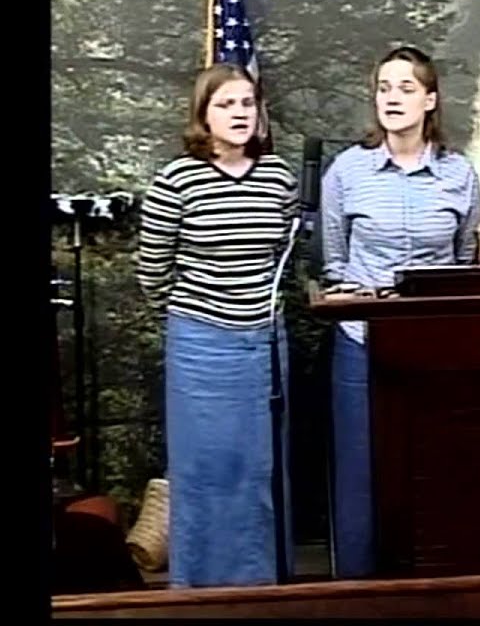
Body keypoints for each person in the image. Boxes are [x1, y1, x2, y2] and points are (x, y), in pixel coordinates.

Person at [320, 45, 480, 578]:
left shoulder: (458, 173)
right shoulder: (347, 171)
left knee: (436, 462)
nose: (392, 98)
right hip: (361, 341)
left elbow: (464, 256)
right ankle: (358, 588)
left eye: (406, 88)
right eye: (384, 88)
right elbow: (335, 259)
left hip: (436, 344)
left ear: (430, 100)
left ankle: (437, 580)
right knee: (360, 468)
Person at [136, 62, 299, 587]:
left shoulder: (278, 177)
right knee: (205, 470)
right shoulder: (176, 180)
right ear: (203, 115)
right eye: (226, 104)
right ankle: (200, 591)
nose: (239, 113)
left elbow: (285, 256)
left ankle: (259, 589)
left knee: (257, 469)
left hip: (263, 344)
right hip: (200, 347)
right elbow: (152, 272)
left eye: (247, 103)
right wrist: (200, 312)